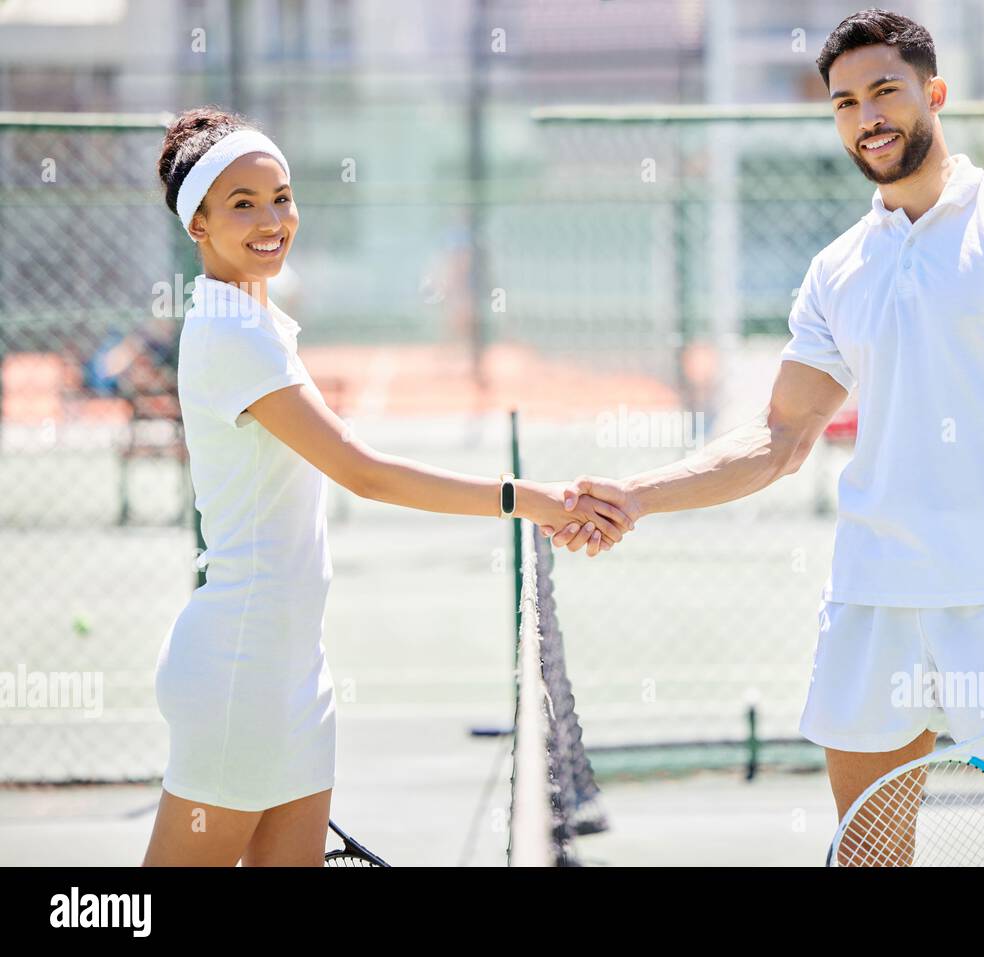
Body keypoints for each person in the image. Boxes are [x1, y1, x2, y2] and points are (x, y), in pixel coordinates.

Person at [543, 9, 984, 866]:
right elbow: (781, 435)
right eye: (845, 101)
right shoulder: (838, 267)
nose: (868, 116)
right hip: (871, 601)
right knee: (869, 856)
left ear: (934, 93)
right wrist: (639, 494)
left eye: (885, 90)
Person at [143, 108, 633, 866]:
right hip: (238, 671)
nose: (273, 218)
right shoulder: (230, 335)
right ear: (198, 225)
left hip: (291, 667)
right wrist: (522, 497)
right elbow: (363, 471)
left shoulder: (257, 322)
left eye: (282, 195)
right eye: (243, 204)